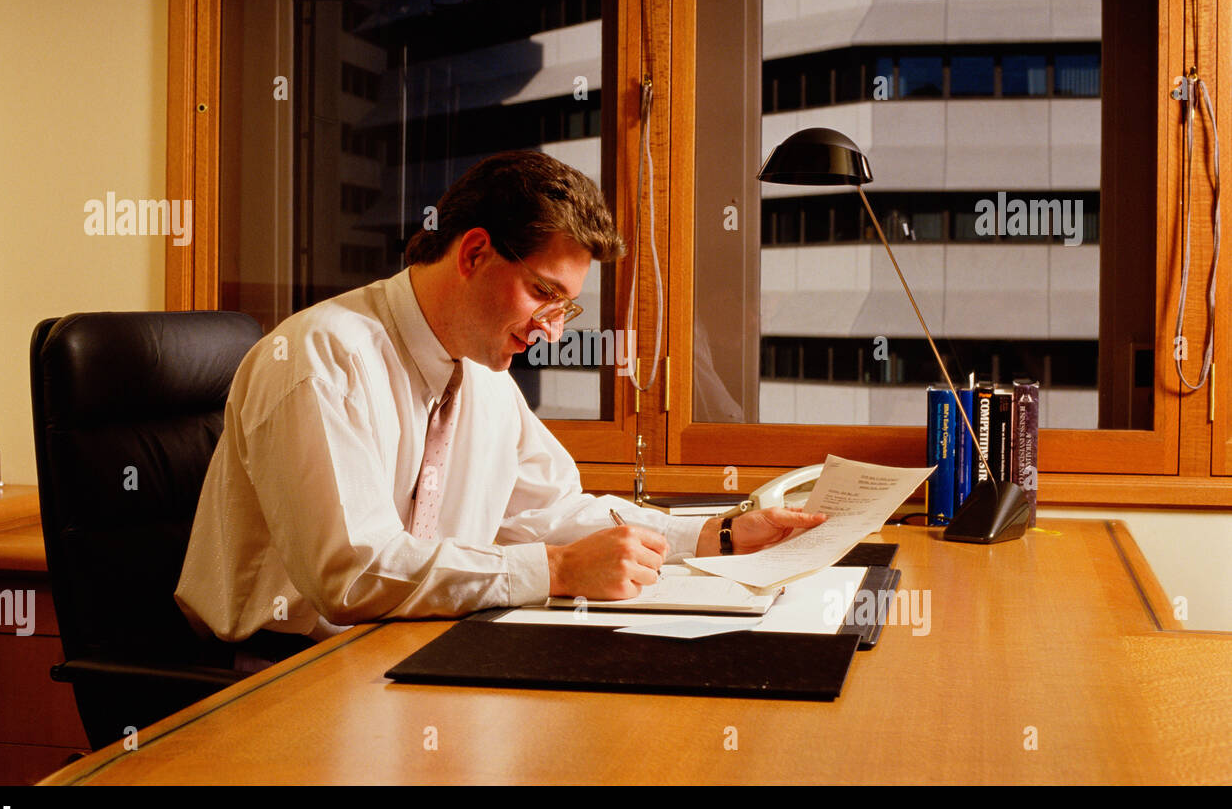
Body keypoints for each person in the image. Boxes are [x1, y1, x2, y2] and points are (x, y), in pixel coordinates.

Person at [175, 151, 825, 648]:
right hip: (277, 679)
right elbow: (353, 573)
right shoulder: (322, 360)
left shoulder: (483, 376)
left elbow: (550, 514)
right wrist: (559, 571)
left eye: (566, 305)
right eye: (544, 293)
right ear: (475, 253)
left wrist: (721, 534)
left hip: (416, 641)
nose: (554, 328)